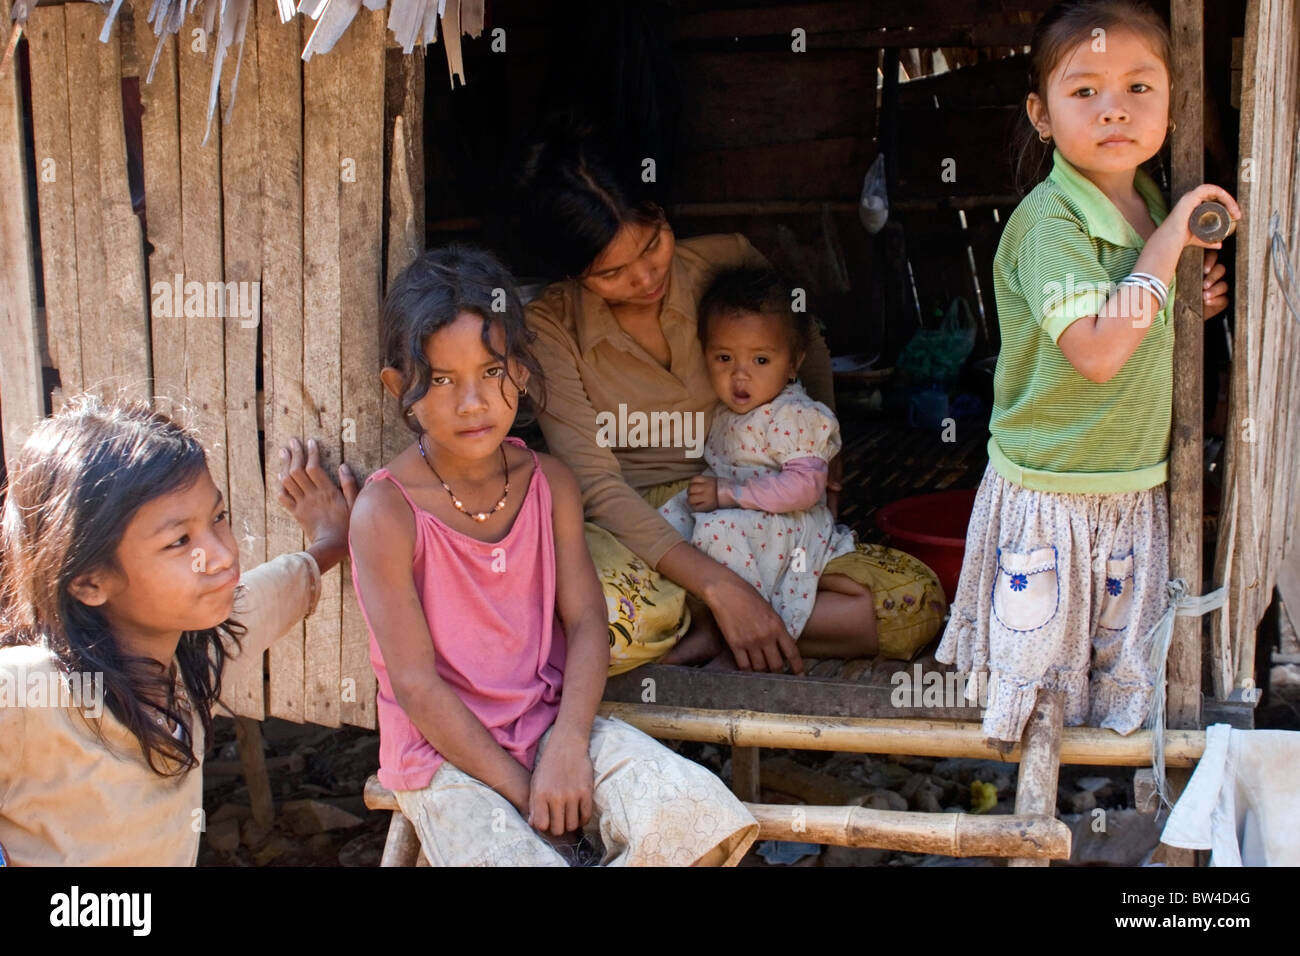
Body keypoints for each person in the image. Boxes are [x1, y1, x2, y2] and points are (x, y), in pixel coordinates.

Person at [347, 245, 758, 866]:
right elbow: (416, 687)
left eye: (492, 372)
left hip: (553, 728)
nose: (472, 402)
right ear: (398, 386)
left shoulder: (551, 483)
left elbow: (589, 621)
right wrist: (523, 793)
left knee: (702, 819)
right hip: (447, 757)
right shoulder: (387, 513)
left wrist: (568, 742)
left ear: (524, 369)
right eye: (441, 380)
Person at [520, 129, 947, 674]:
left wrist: (822, 458)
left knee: (918, 603)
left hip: (756, 503)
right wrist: (722, 586)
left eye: (653, 244)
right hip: (641, 528)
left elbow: (804, 340)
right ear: (573, 269)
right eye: (611, 272)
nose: (647, 276)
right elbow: (598, 487)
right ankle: (732, 615)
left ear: (663, 213)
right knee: (612, 623)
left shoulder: (724, 262)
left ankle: (715, 627)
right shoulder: (549, 328)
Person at [936, 0, 1239, 744]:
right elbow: (1100, 353)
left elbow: (1140, 313)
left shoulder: (1146, 202)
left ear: (1173, 102)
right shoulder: (1052, 221)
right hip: (1052, 490)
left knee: (1109, 669)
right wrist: (1169, 249)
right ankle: (1026, 823)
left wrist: (1179, 299)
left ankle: (1092, 806)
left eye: (1140, 88)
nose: (1115, 111)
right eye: (1085, 92)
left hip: (1131, 485)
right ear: (1041, 114)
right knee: (1039, 682)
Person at [0, 397, 357, 865]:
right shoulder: (31, 690)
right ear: (90, 581)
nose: (223, 555)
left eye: (218, 519)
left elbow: (271, 596)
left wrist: (331, 540)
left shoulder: (191, 661)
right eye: (179, 541)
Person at [659, 266, 906, 663]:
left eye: (760, 359)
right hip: (744, 517)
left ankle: (728, 632)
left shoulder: (794, 415)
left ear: (793, 362)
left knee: (718, 530)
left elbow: (806, 488)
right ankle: (706, 620)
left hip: (787, 522)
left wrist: (728, 493)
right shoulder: (727, 412)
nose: (740, 375)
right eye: (723, 357)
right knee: (666, 522)